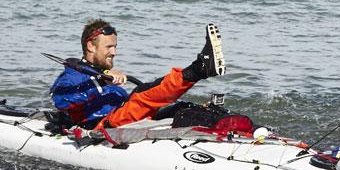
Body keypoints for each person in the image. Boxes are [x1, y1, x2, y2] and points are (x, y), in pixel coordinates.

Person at [50, 19, 224, 129]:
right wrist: (101, 82)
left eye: (115, 47)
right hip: (102, 125)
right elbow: (59, 99)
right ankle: (199, 69)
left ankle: (238, 128)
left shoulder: (102, 73)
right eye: (109, 47)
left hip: (124, 117)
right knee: (142, 95)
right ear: (91, 46)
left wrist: (103, 79)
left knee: (182, 108)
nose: (114, 52)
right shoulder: (74, 74)